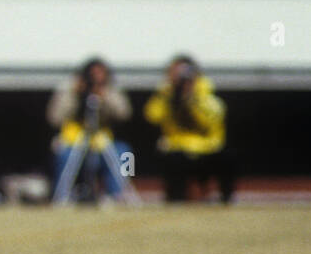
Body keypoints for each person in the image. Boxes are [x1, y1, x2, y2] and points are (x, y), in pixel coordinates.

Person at [144, 56, 234, 203]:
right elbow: (152, 116)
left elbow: (207, 123)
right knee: (172, 158)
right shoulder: (166, 94)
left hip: (207, 147)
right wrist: (167, 96)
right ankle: (175, 200)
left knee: (227, 157)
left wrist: (191, 101)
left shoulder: (207, 96)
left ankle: (227, 199)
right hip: (178, 147)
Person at [46, 58, 132, 202]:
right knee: (63, 154)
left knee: (126, 154)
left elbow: (124, 113)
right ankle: (62, 196)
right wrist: (75, 96)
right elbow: (54, 117)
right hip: (74, 142)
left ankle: (118, 194)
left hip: (102, 143)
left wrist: (104, 97)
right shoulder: (70, 89)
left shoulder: (110, 90)